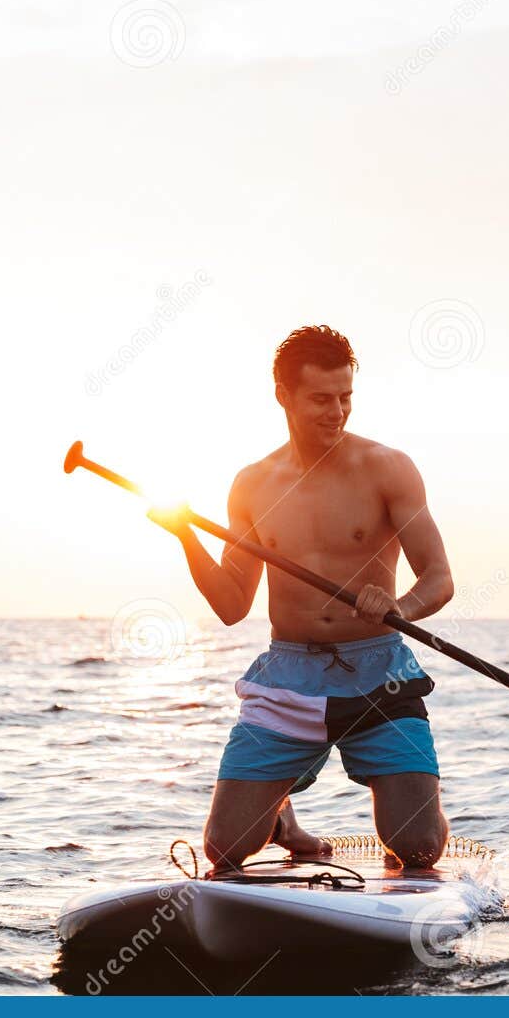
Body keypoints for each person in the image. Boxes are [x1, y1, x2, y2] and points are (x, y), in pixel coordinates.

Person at [147, 325, 456, 872]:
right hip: (289, 678)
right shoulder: (252, 485)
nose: (337, 411)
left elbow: (439, 578)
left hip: (380, 674)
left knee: (419, 850)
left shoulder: (388, 467)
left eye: (346, 397)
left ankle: (412, 800)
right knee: (224, 850)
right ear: (283, 395)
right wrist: (186, 537)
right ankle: (282, 820)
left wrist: (398, 608)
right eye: (320, 398)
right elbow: (231, 605)